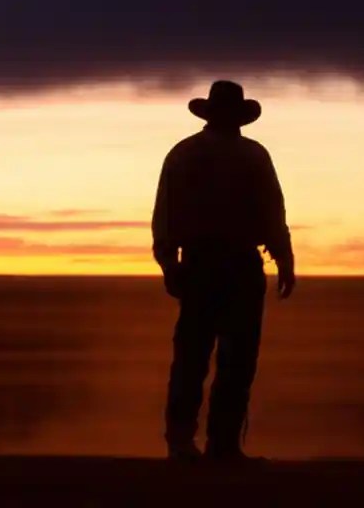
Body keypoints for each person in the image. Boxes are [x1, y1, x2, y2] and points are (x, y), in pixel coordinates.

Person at [152, 80, 296, 462]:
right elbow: (272, 212)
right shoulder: (253, 156)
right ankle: (222, 444)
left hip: (202, 265)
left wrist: (169, 263)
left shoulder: (184, 154)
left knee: (193, 356)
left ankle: (184, 441)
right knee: (235, 359)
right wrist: (284, 258)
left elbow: (164, 215)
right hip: (239, 265)